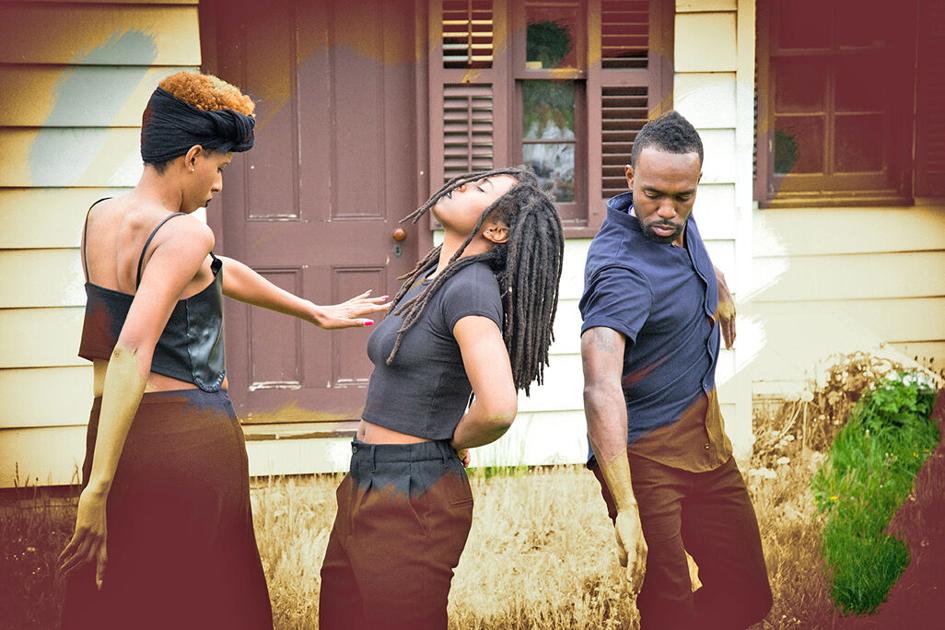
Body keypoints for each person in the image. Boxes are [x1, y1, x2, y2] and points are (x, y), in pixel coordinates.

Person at [58, 71, 389, 630]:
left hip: (112, 431)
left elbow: (211, 273)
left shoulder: (101, 216)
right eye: (219, 167)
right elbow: (129, 351)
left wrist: (314, 311)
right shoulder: (186, 233)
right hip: (185, 443)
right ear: (191, 157)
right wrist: (95, 493)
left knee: (127, 596)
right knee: (202, 600)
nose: (217, 185)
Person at [318, 168, 565, 630]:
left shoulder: (469, 289)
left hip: (413, 491)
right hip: (368, 477)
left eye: (481, 188)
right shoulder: (434, 274)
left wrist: (448, 442)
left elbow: (497, 407)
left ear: (496, 229)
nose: (463, 183)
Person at [579, 111, 772, 629]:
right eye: (653, 194)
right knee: (669, 608)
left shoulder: (674, 219)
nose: (666, 211)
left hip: (706, 445)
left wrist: (719, 288)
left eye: (681, 197)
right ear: (629, 179)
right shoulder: (621, 273)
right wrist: (626, 506)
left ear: (696, 185)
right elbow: (599, 388)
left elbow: (686, 244)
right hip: (646, 461)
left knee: (749, 594)